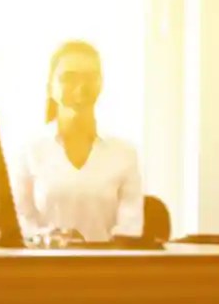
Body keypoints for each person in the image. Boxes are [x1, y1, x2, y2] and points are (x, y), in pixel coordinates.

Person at [11, 40, 143, 244]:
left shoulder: (124, 153)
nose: (81, 87)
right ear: (50, 87)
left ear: (101, 84)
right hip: (43, 269)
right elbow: (21, 222)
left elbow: (130, 229)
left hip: (107, 270)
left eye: (90, 77)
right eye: (68, 78)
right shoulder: (30, 151)